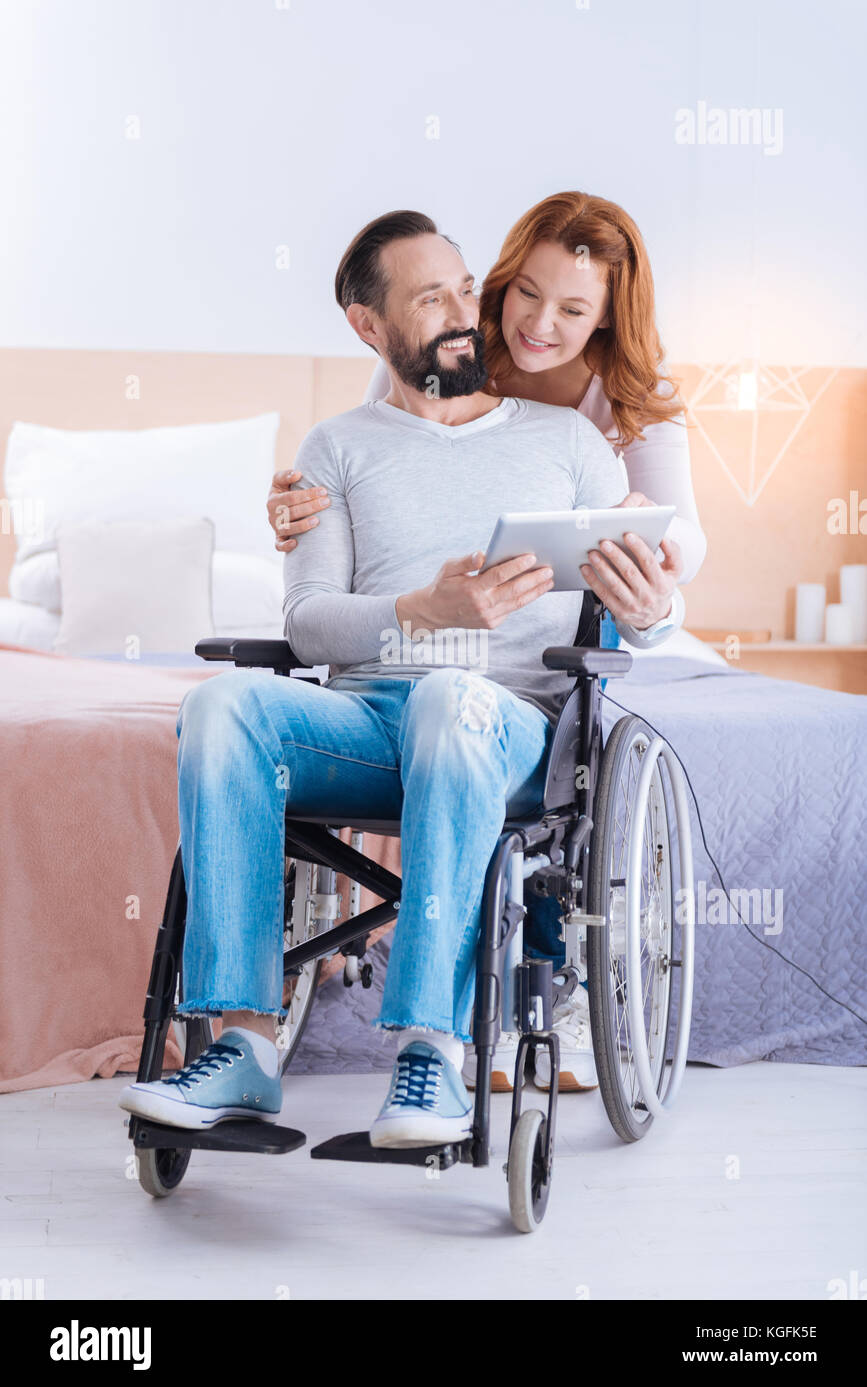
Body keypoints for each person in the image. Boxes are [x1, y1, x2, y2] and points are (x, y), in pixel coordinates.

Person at [119, 210, 682, 1148]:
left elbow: (641, 615)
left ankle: (431, 1052)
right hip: (365, 721)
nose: (468, 312)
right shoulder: (334, 451)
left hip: (500, 728)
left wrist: (655, 608)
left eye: (467, 288)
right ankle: (244, 1052)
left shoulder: (571, 446)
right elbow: (305, 623)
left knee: (447, 699)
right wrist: (422, 609)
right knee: (221, 703)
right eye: (433, 298)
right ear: (368, 327)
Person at [265, 192, 706, 1093]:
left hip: (555, 627)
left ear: (607, 318)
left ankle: (543, 982)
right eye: (526, 295)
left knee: (557, 727)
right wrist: (295, 509)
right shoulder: (451, 349)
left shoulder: (619, 409)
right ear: (497, 286)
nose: (542, 325)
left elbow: (684, 542)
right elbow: (372, 459)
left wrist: (651, 558)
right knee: (434, 699)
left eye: (574, 310)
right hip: (418, 653)